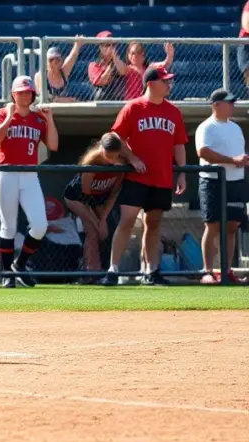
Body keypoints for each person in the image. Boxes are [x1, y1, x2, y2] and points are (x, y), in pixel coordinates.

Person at [100, 66, 187, 285]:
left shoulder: (173, 112)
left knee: (154, 224)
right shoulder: (133, 107)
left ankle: (151, 270)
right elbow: (115, 137)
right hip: (137, 178)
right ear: (150, 83)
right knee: (127, 221)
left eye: (169, 80)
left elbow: (179, 145)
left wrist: (182, 173)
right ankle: (113, 269)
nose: (169, 85)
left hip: (162, 177)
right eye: (164, 81)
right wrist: (132, 158)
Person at [0, 76, 58, 287]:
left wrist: (50, 119)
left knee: (40, 225)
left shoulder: (38, 118)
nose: (25, 95)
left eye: (28, 92)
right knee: (8, 226)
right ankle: (6, 275)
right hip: (6, 172)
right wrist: (10, 116)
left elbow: (53, 146)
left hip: (29, 174)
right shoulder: (2, 113)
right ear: (13, 94)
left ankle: (19, 264)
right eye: (21, 92)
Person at [195, 89, 248, 284]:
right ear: (216, 104)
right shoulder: (206, 127)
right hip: (212, 182)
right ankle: (207, 271)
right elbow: (203, 152)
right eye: (228, 102)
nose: (232, 105)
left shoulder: (235, 127)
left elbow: (238, 153)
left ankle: (227, 271)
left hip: (236, 181)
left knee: (232, 225)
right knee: (213, 225)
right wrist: (232, 160)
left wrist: (241, 161)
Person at [62, 132, 125, 278]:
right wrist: (97, 222)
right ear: (101, 148)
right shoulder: (91, 162)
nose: (110, 160)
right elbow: (86, 195)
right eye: (107, 155)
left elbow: (114, 194)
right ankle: (91, 272)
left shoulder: (121, 165)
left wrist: (102, 219)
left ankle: (95, 271)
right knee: (92, 230)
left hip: (99, 200)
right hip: (77, 198)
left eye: (114, 156)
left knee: (101, 231)